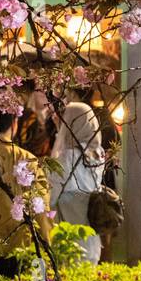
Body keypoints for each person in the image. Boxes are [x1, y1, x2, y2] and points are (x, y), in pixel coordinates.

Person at [0, 112, 52, 276]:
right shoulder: (27, 160)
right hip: (19, 252)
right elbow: (40, 215)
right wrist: (43, 268)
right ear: (14, 124)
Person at [48, 101, 105, 264]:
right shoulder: (98, 155)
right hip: (91, 238)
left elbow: (50, 196)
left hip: (69, 237)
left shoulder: (67, 158)